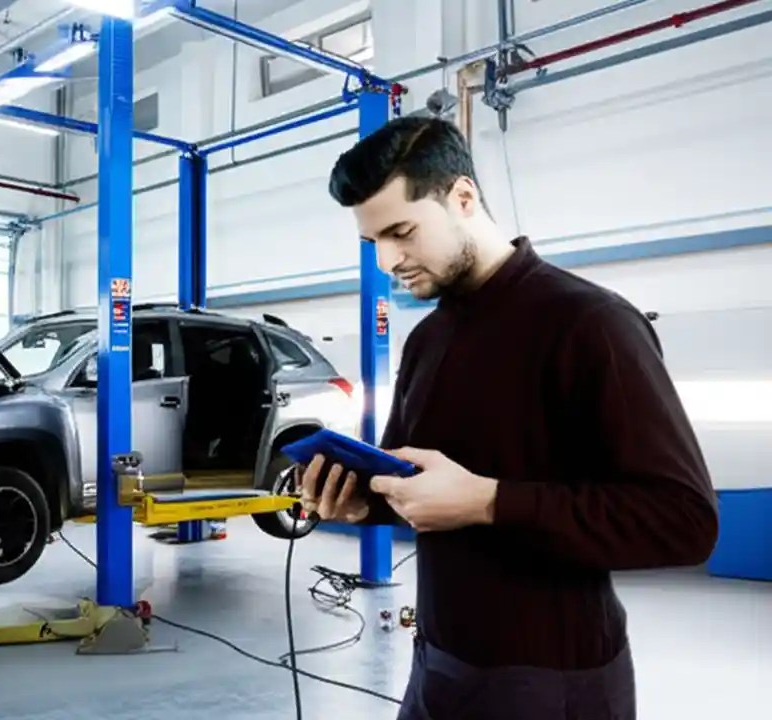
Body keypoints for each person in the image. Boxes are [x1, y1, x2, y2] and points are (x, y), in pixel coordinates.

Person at [299, 116, 719, 719]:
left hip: (552, 679)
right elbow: (417, 484)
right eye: (373, 244)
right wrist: (364, 501)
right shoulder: (427, 338)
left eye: (402, 232)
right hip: (438, 664)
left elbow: (685, 522)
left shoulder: (589, 324)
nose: (388, 261)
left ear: (462, 197)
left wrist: (491, 501)